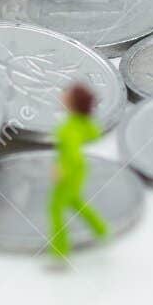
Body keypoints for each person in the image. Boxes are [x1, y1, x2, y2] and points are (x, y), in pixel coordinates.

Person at [48, 83, 108, 266]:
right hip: (78, 171)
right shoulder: (83, 124)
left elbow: (73, 154)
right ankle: (102, 231)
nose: (61, 97)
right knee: (77, 204)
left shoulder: (70, 129)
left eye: (65, 96)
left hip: (70, 172)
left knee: (55, 210)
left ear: (72, 103)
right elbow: (94, 134)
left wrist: (61, 170)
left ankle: (60, 254)